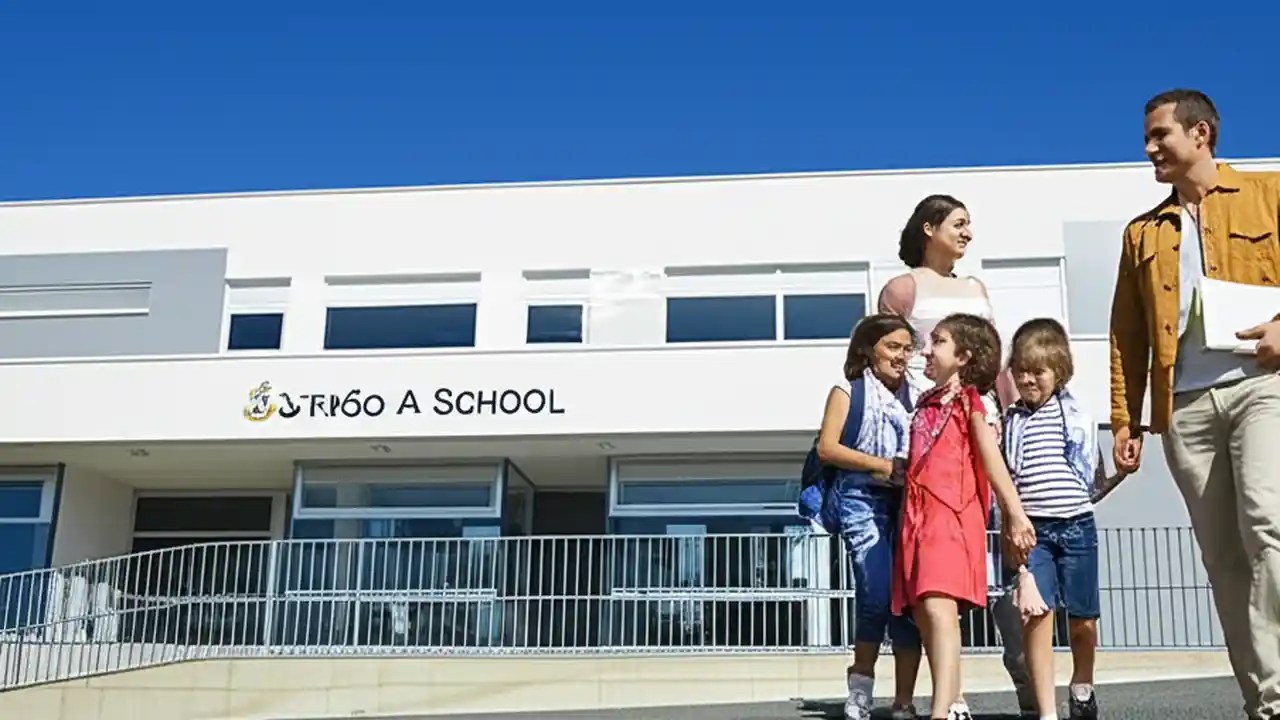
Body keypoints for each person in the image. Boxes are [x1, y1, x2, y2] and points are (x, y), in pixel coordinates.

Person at [1109, 88, 1280, 719]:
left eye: (1161, 135)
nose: (1149, 148)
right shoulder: (1143, 233)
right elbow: (1126, 335)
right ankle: (1265, 703)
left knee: (1270, 526)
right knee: (1224, 560)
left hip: (1265, 386)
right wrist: (1125, 418)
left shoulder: (1270, 194)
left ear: (1201, 132)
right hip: (1185, 408)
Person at [881, 194, 1037, 716]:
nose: (968, 232)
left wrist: (1017, 412)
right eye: (959, 223)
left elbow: (1000, 364)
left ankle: (1015, 675)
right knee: (929, 585)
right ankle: (954, 695)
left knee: (982, 565)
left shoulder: (976, 289)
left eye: (971, 224)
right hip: (925, 428)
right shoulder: (903, 288)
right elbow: (890, 357)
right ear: (930, 228)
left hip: (975, 422)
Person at [815, 314, 923, 720]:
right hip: (861, 497)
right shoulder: (848, 390)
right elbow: (827, 448)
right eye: (892, 347)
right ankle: (860, 687)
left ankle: (904, 700)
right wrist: (880, 465)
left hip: (909, 502)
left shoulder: (918, 395)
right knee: (876, 592)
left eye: (906, 348)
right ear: (868, 349)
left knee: (910, 600)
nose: (901, 356)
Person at [1002, 319, 1102, 720]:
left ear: (1058, 373)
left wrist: (1120, 473)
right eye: (1021, 370)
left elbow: (1092, 478)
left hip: (1077, 526)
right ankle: (1047, 712)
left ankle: (1082, 684)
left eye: (1037, 372)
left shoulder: (1074, 415)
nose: (1027, 380)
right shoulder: (1012, 421)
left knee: (1082, 621)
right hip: (1034, 532)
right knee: (1035, 615)